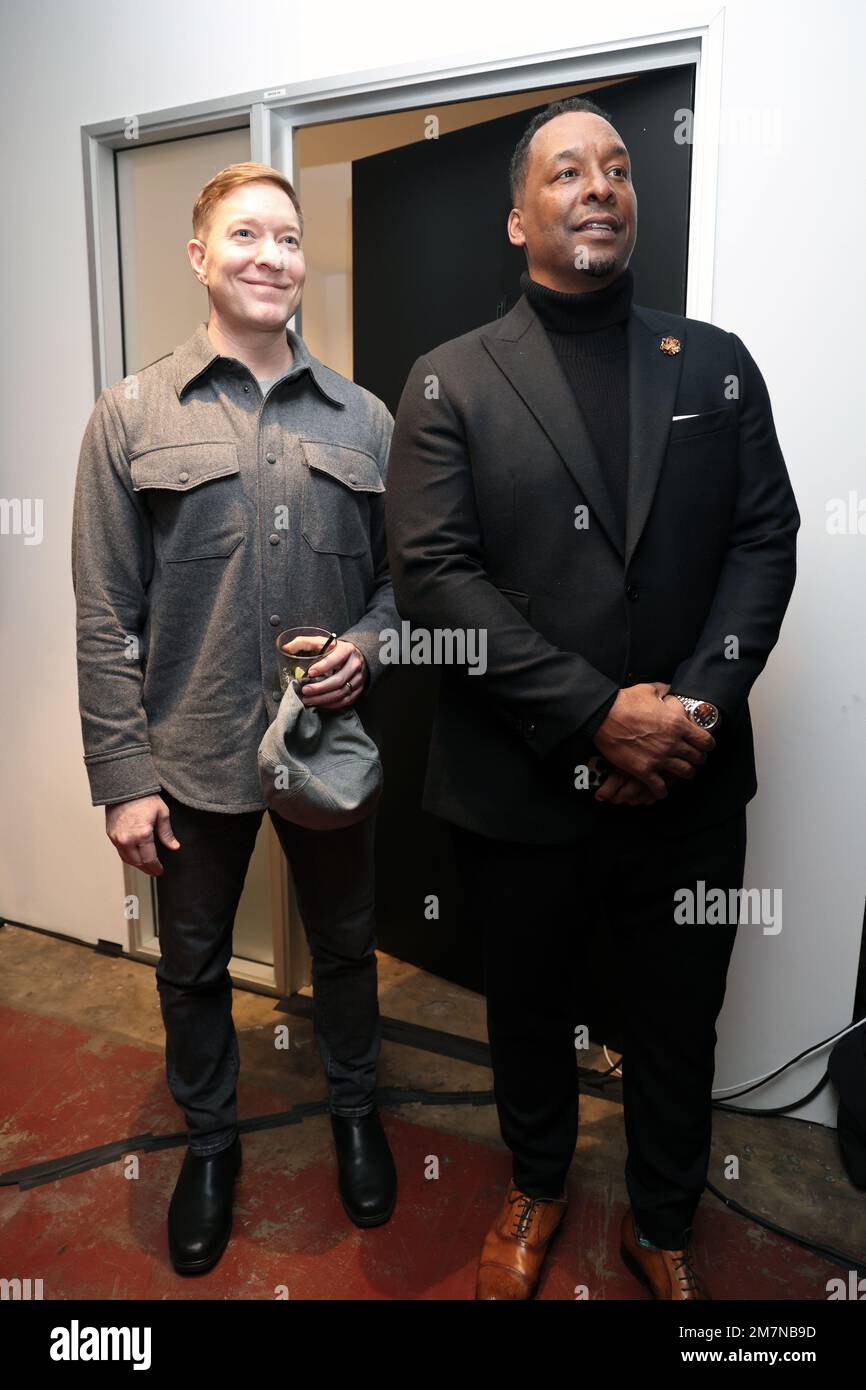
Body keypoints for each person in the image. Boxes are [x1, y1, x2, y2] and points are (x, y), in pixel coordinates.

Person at [385, 98, 799, 1300]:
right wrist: (589, 713)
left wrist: (695, 714)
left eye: (617, 167)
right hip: (517, 784)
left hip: (688, 783)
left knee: (678, 1017)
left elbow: (763, 543)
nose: (599, 186)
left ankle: (661, 1220)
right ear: (519, 216)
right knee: (528, 1010)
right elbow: (433, 579)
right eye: (566, 171)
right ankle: (536, 1183)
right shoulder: (447, 379)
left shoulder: (713, 362)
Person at [71, 162, 397, 1276]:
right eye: (245, 235)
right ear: (200, 257)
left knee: (348, 950)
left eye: (290, 238)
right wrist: (122, 775)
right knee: (193, 965)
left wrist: (364, 648)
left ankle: (355, 1114)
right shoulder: (130, 413)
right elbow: (104, 612)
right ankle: (210, 1145)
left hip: (326, 757)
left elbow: (409, 590)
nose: (271, 255)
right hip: (189, 754)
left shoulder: (367, 417)